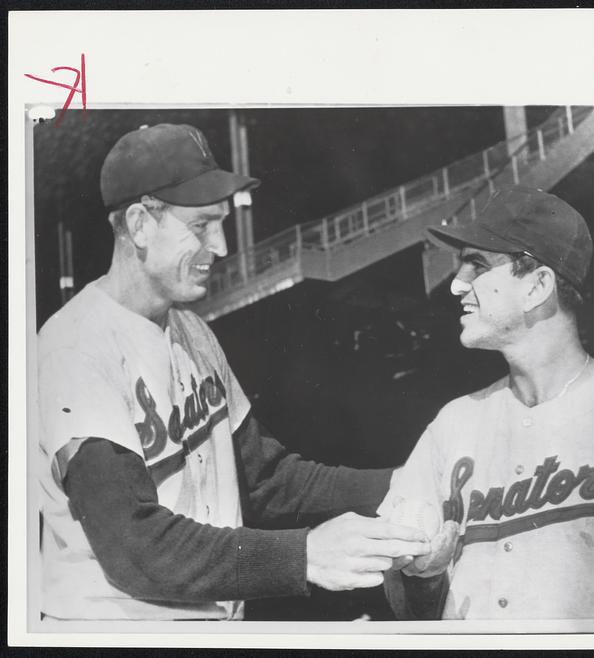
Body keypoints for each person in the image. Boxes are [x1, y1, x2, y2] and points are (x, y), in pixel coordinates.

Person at [37, 123, 436, 621]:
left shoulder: (191, 331)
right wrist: (305, 555)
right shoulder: (74, 349)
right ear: (139, 224)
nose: (221, 245)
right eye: (201, 226)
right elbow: (135, 547)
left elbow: (267, 480)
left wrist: (408, 481)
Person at [380, 184, 594, 620]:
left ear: (537, 286)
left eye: (476, 265)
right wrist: (423, 575)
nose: (456, 285)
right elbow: (405, 607)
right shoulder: (453, 424)